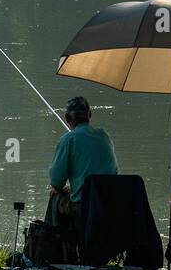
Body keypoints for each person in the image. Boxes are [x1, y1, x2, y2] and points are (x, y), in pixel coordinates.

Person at [47, 96, 118, 237]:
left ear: (67, 118)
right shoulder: (104, 136)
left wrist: (62, 188)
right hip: (111, 204)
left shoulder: (68, 140)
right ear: (89, 115)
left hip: (84, 207)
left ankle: (56, 246)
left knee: (55, 197)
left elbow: (56, 181)